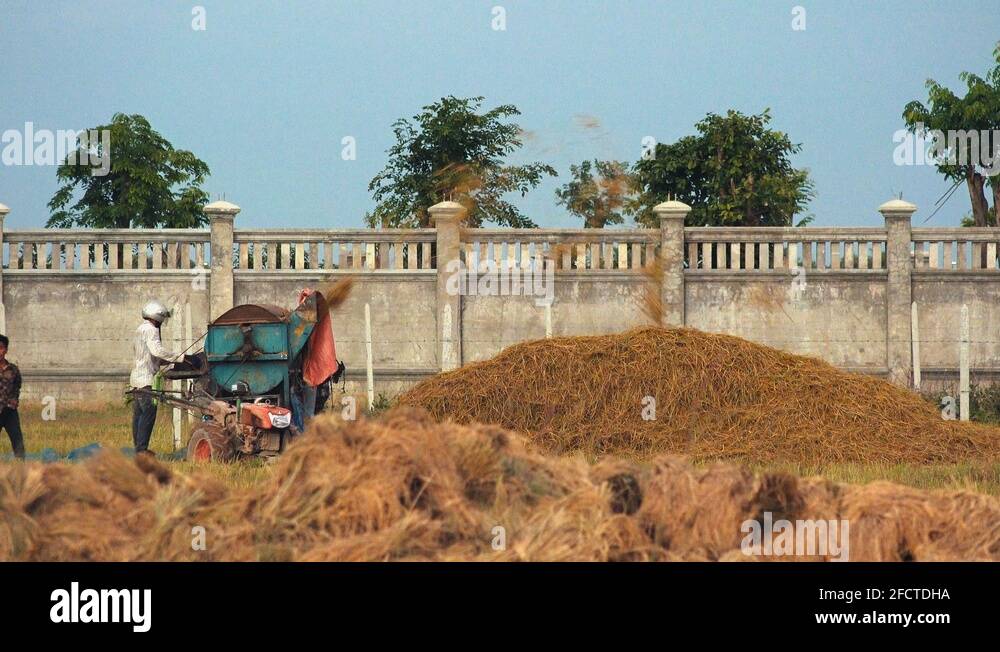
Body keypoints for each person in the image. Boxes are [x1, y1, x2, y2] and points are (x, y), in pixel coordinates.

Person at [129, 300, 183, 455]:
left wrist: (169, 362)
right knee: (148, 415)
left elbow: (149, 355)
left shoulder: (140, 329)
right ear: (156, 317)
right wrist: (179, 357)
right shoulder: (151, 330)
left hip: (136, 380)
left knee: (138, 416)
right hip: (146, 380)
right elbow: (157, 351)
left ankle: (139, 449)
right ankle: (142, 450)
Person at [0, 334, 24, 460]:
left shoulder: (13, 369)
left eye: (1, 348)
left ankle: (21, 466)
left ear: (6, 350)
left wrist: (14, 400)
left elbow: (17, 386)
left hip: (10, 411)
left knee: (17, 440)